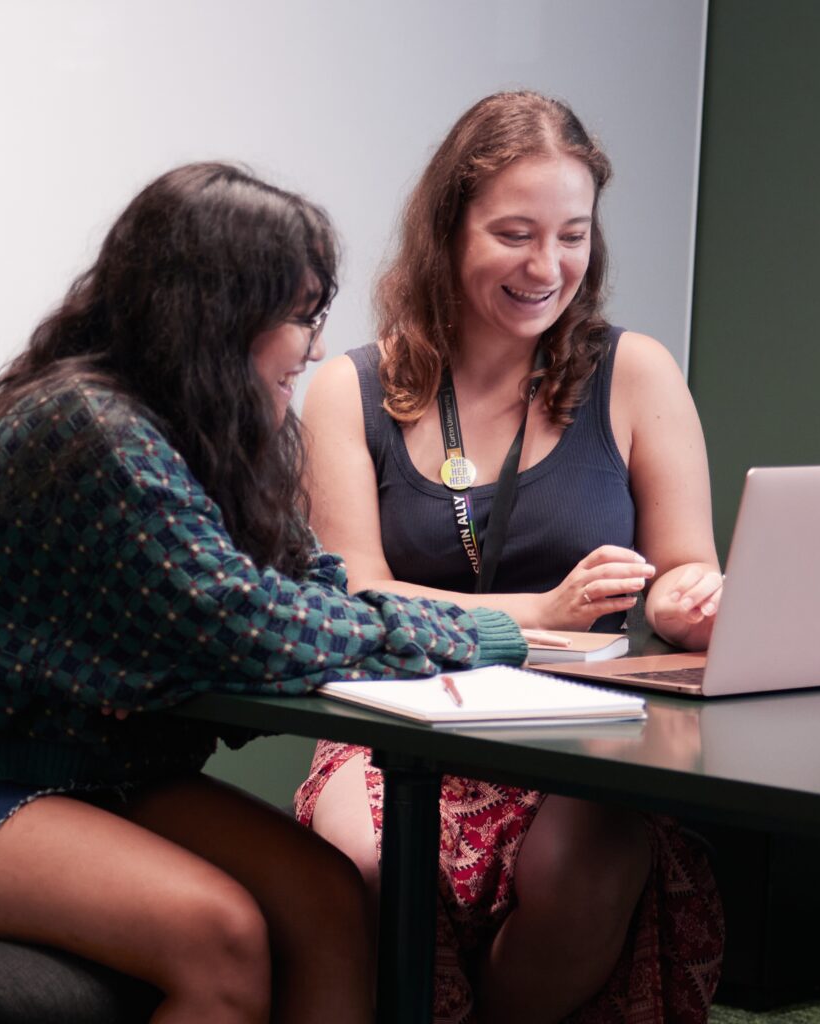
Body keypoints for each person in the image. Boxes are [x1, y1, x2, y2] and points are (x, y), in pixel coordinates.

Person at [0, 162, 530, 1024]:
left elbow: (314, 594)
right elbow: (258, 628)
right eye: (296, 317)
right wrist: (476, 632)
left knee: (333, 905)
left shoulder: (227, 428)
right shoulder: (89, 428)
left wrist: (383, 627)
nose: (313, 347)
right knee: (219, 935)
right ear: (217, 314)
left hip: (75, 765)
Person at [294, 92, 726, 1023]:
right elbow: (355, 595)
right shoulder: (350, 390)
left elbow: (689, 566)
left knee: (586, 868)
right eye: (516, 233)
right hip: (397, 717)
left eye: (573, 236)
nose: (548, 267)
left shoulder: (637, 371)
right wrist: (542, 612)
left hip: (582, 723)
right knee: (372, 864)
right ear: (448, 231)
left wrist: (692, 601)